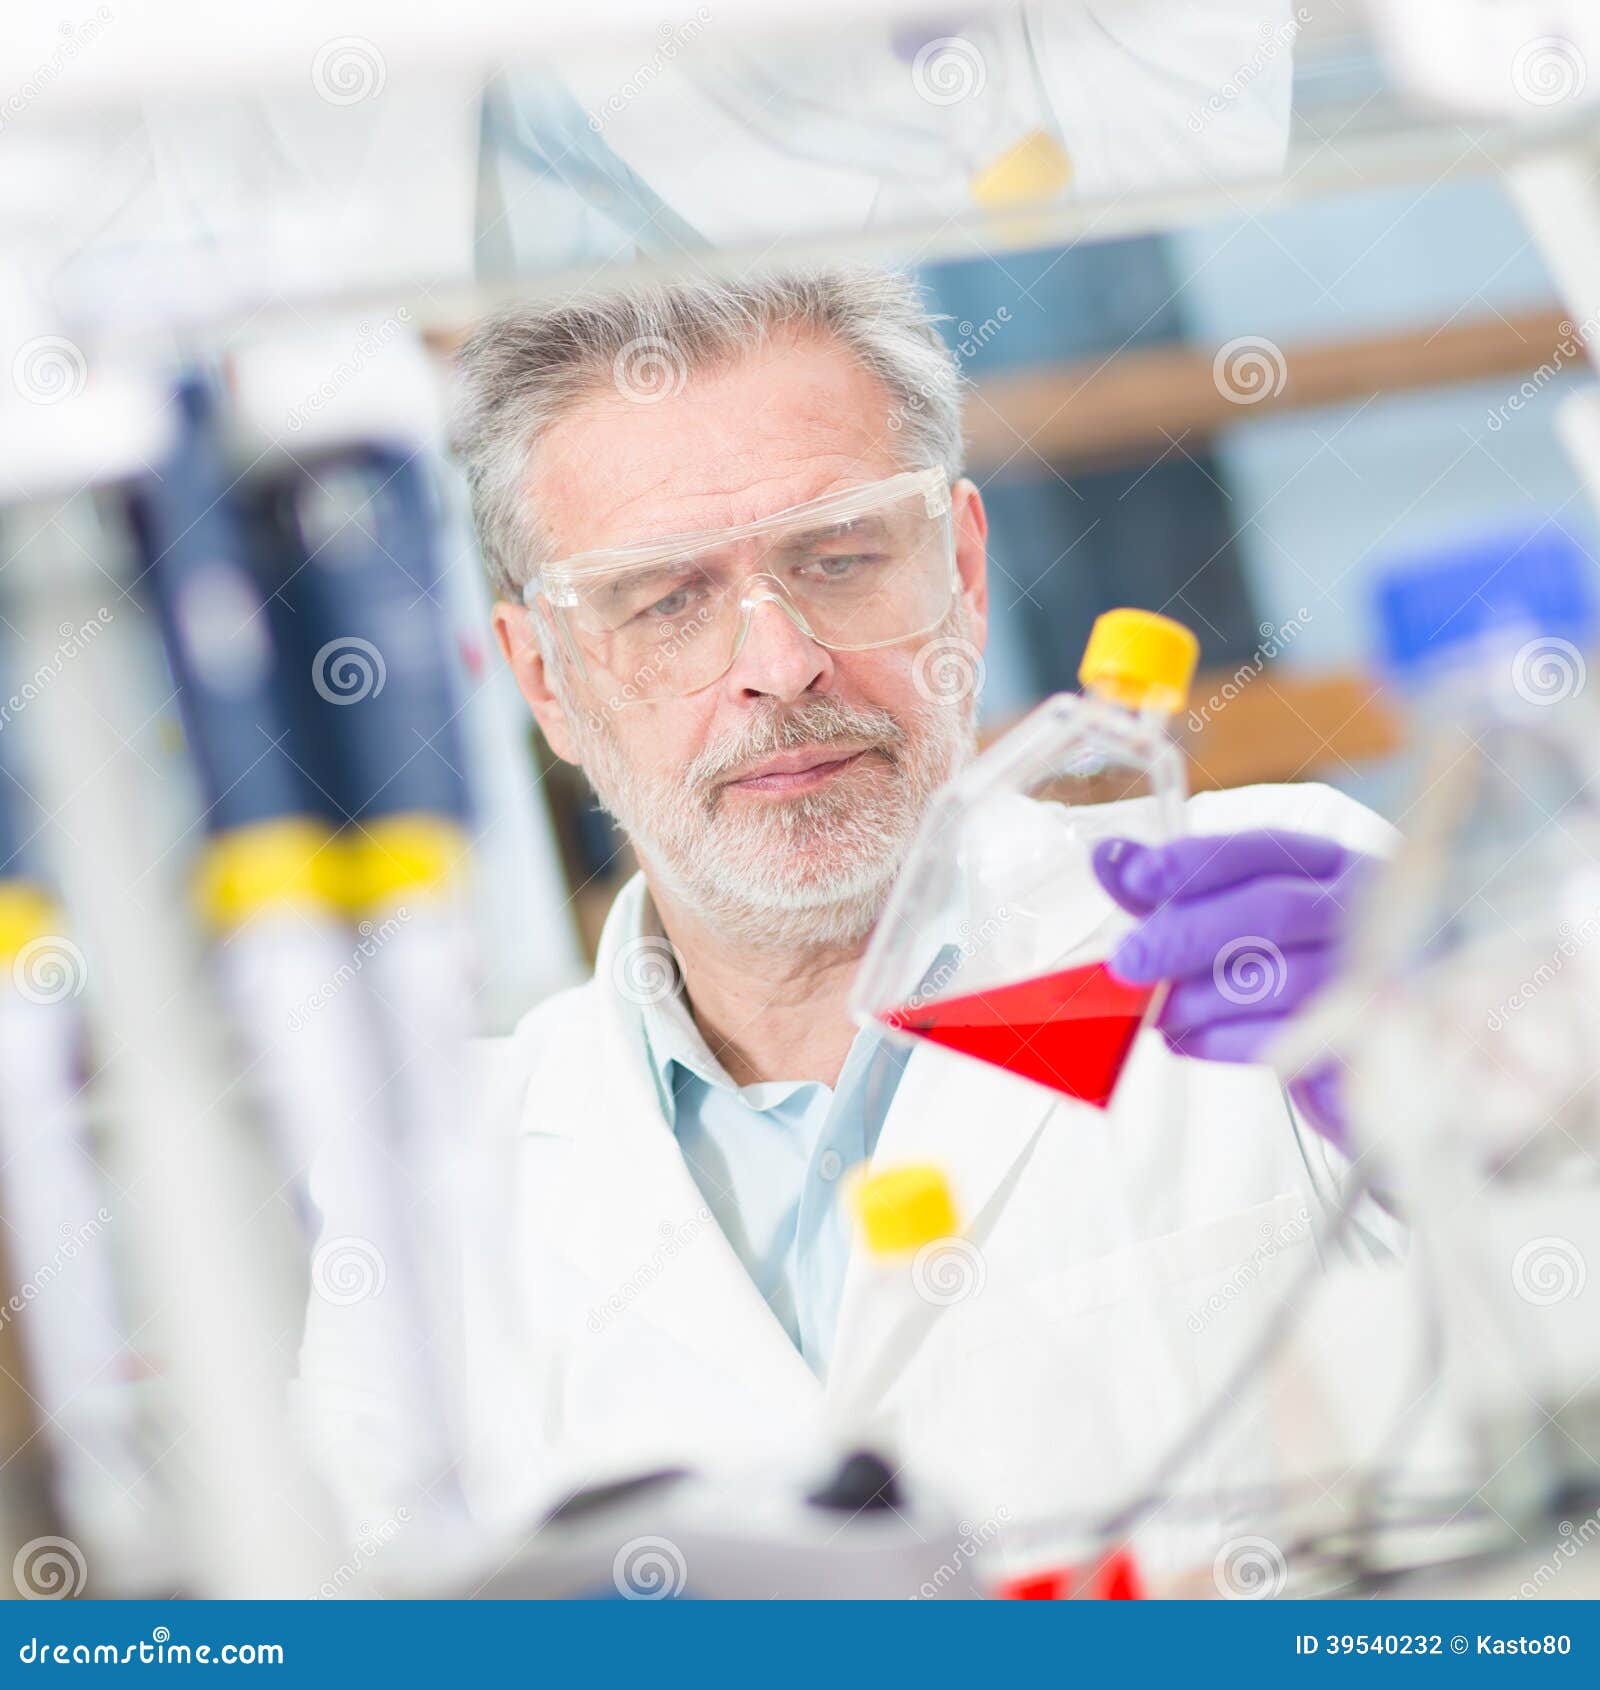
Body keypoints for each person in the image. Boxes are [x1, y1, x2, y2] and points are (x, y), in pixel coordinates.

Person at [299, 268, 1395, 1566]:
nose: (781, 665)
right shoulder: (430, 1199)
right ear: (544, 677)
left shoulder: (1275, 920)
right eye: (666, 600)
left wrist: (1466, 1085)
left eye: (839, 558)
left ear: (965, 571)